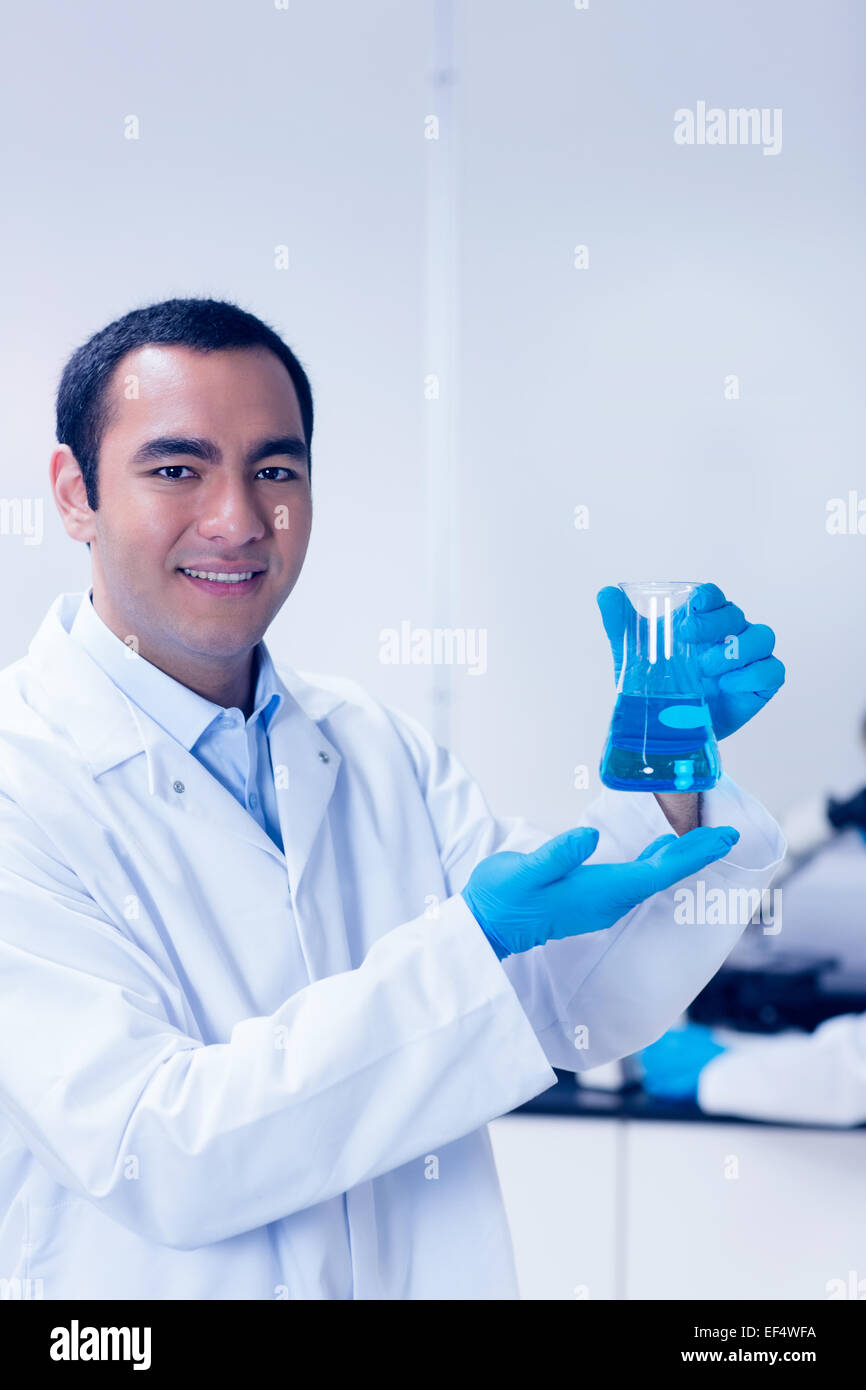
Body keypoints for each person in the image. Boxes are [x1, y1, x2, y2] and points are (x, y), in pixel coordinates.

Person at [0, 297, 786, 1300]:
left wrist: (667, 785)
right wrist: (468, 946)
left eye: (275, 469)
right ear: (74, 492)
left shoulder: (368, 747)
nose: (236, 518)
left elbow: (562, 1007)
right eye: (176, 468)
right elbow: (159, 1148)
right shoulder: (21, 780)